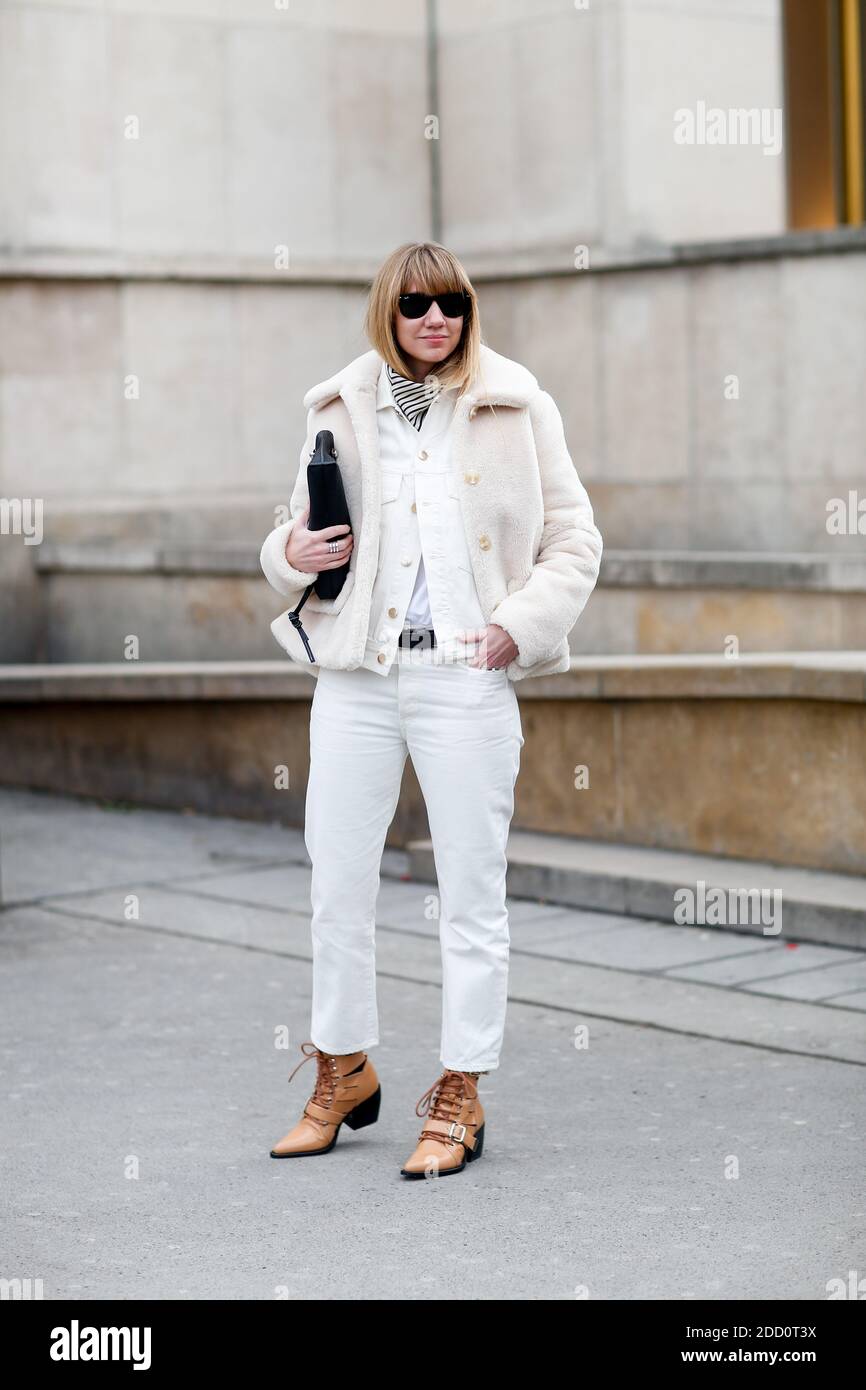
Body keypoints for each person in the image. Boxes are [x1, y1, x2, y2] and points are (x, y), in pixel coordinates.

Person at [260, 241, 603, 1178]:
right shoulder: (336, 406)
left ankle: (461, 1092)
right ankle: (344, 1070)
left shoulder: (518, 401)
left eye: (450, 301)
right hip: (358, 679)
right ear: (388, 311)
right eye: (416, 304)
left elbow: (576, 539)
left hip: (464, 676)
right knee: (335, 882)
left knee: (470, 894)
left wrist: (517, 627)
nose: (435, 319)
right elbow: (281, 545)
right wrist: (293, 550)